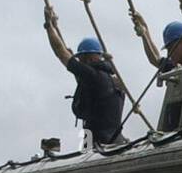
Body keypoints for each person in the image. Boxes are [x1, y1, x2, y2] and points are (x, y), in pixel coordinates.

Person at [44, 11, 126, 147]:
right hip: (114, 140)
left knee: (87, 153)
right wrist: (56, 28)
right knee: (86, 147)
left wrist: (48, 26)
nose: (80, 61)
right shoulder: (112, 79)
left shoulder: (93, 76)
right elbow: (76, 69)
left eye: (81, 58)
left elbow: (61, 53)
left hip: (98, 142)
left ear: (88, 58)